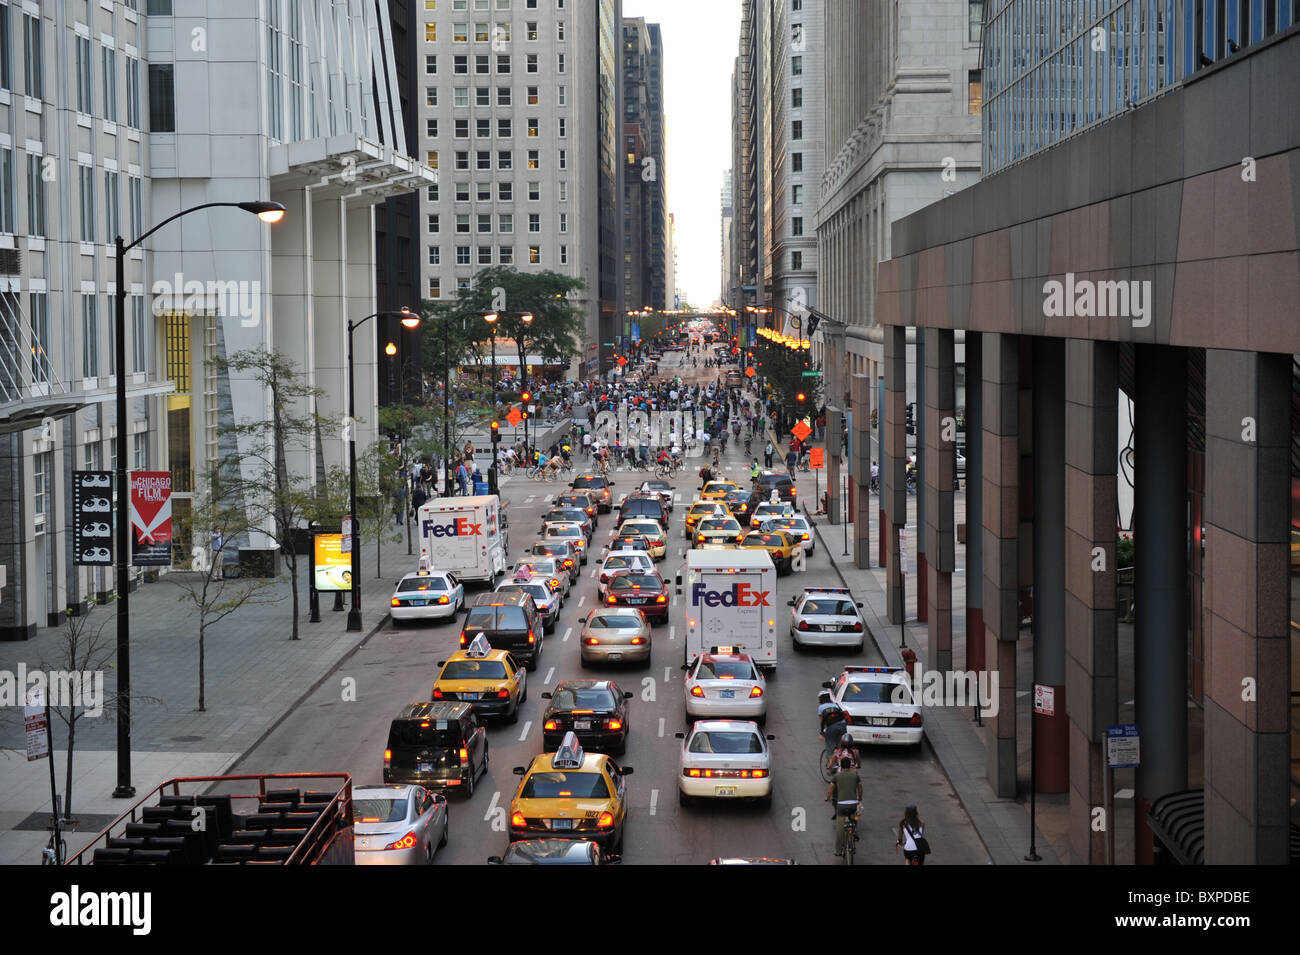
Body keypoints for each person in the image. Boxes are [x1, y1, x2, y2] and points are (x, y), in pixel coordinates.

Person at [826, 758, 863, 857]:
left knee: (840, 829)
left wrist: (827, 797)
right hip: (853, 805)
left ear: (841, 766)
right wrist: (860, 798)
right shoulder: (855, 776)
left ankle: (838, 850)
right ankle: (854, 831)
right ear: (850, 766)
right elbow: (860, 788)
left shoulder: (837, 776)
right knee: (854, 816)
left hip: (841, 805)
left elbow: (830, 790)